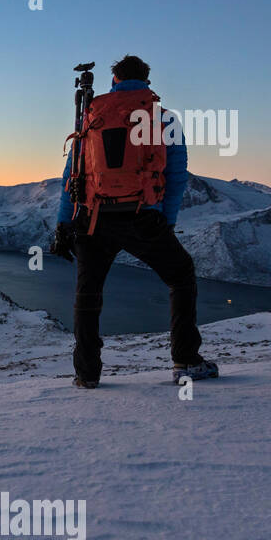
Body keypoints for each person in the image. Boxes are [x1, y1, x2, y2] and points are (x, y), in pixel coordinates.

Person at [49, 54, 218, 388]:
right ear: (148, 81)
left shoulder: (91, 117)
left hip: (94, 219)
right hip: (143, 218)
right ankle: (185, 360)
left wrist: (64, 223)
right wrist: (164, 221)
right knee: (181, 276)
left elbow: (73, 175)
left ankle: (87, 374)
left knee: (88, 295)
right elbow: (175, 176)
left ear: (114, 80)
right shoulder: (162, 119)